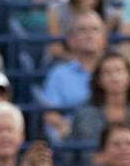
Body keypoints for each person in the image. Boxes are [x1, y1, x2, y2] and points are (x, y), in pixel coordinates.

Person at [40, 12, 109, 144]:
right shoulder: (58, 75)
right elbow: (50, 115)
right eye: (82, 30)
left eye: (95, 29)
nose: (89, 35)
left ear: (104, 39)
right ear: (71, 40)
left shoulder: (120, 70)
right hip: (74, 142)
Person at [70, 51, 130, 150]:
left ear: (129, 77)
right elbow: (83, 157)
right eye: (107, 72)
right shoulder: (84, 113)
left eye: (119, 71)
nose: (114, 76)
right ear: (98, 79)